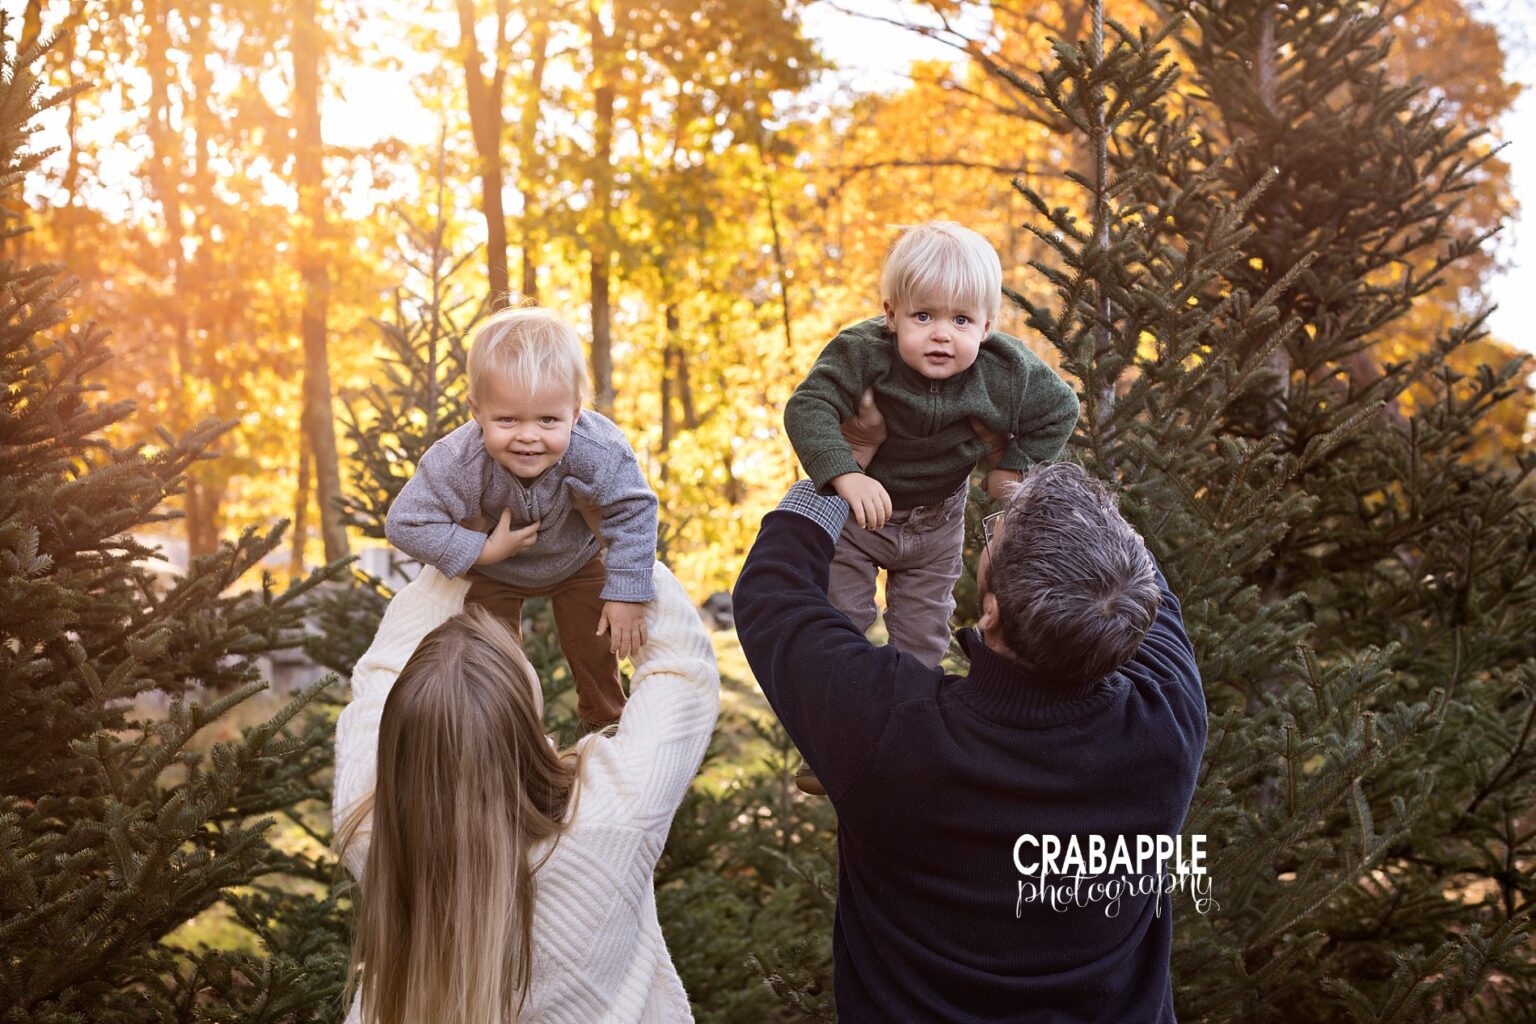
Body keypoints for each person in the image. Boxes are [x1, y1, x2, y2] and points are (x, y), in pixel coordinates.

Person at [733, 419, 1208, 1022]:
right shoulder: (1166, 722)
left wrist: (839, 468)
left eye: (990, 540)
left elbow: (772, 596)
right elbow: (1136, 575)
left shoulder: (893, 729)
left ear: (990, 615)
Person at [332, 558, 718, 1024]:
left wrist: (465, 550)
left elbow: (381, 673)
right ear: (523, 713)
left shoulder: (368, 827)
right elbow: (683, 674)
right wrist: (614, 532)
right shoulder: (609, 818)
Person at [783, 221, 1079, 671]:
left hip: (937, 524)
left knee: (922, 640)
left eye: (961, 320)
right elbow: (808, 406)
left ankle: (909, 717)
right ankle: (847, 704)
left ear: (986, 327)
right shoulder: (862, 352)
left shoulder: (1007, 369)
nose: (942, 333)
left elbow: (1060, 408)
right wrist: (846, 475)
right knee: (843, 620)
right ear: (891, 314)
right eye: (923, 316)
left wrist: (1015, 468)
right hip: (861, 515)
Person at [385, 305, 658, 731]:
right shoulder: (460, 460)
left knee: (596, 639)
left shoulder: (599, 449)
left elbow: (634, 506)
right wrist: (484, 549)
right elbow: (405, 520)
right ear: (477, 411)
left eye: (548, 419)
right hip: (496, 570)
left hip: (575, 560)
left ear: (575, 412)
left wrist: (627, 592)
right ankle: (502, 731)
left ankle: (606, 722)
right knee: (489, 656)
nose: (528, 436)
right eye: (507, 419)